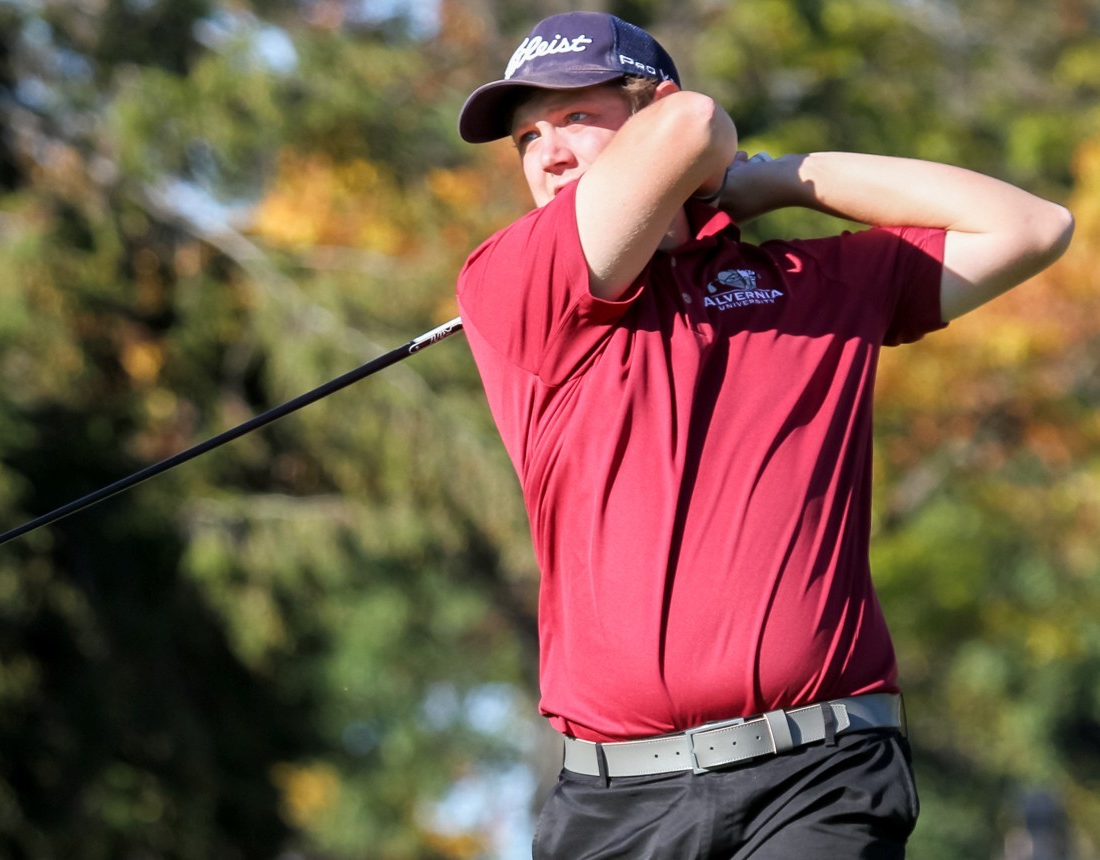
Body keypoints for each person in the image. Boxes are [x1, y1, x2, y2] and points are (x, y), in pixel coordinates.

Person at [454, 11, 1074, 859]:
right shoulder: (516, 284)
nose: (549, 153)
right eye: (528, 137)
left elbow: (1034, 227)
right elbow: (691, 126)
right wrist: (695, 163)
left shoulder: (809, 284)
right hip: (613, 804)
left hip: (819, 776)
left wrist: (779, 181)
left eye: (577, 118)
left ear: (649, 109)